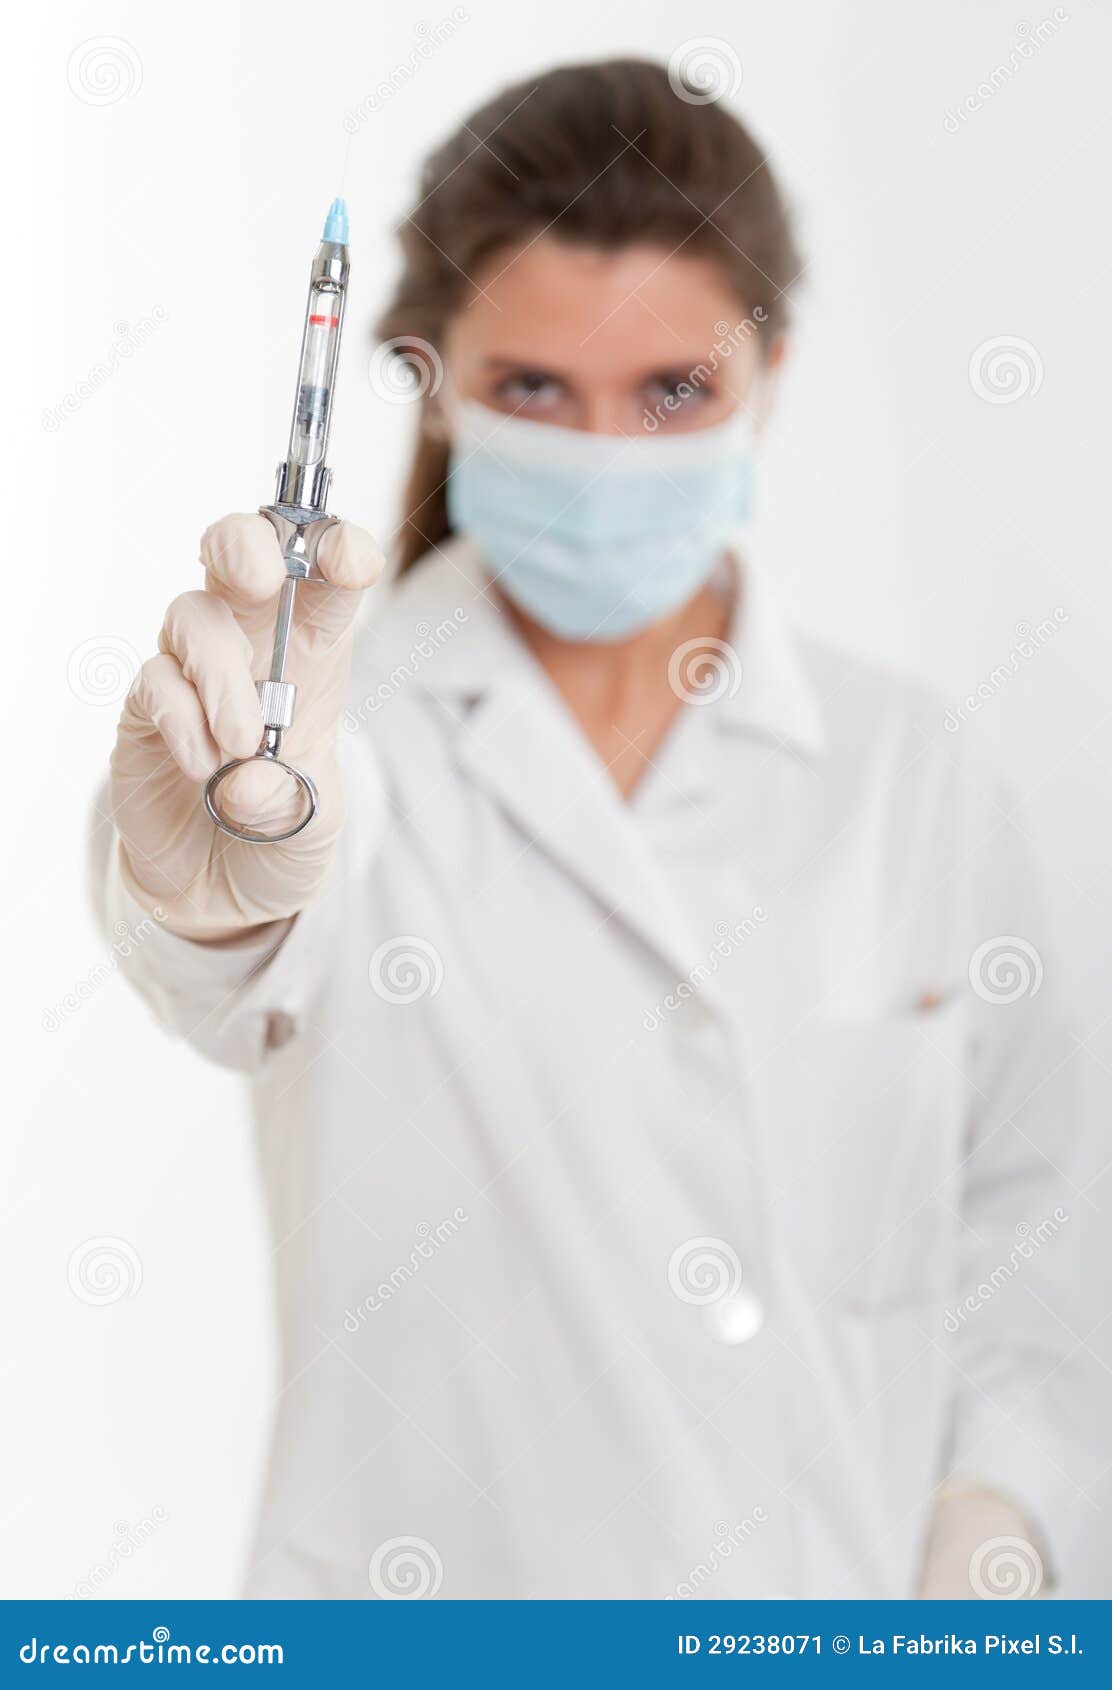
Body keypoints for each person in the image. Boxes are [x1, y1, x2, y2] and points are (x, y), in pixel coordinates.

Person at [104, 59, 1085, 1600]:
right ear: (433, 378)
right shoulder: (335, 743)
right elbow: (226, 959)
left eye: (674, 390)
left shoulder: (911, 773)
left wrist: (1001, 1510)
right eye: (535, 390)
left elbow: (1032, 1236)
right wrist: (207, 886)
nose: (608, 449)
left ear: (771, 373)